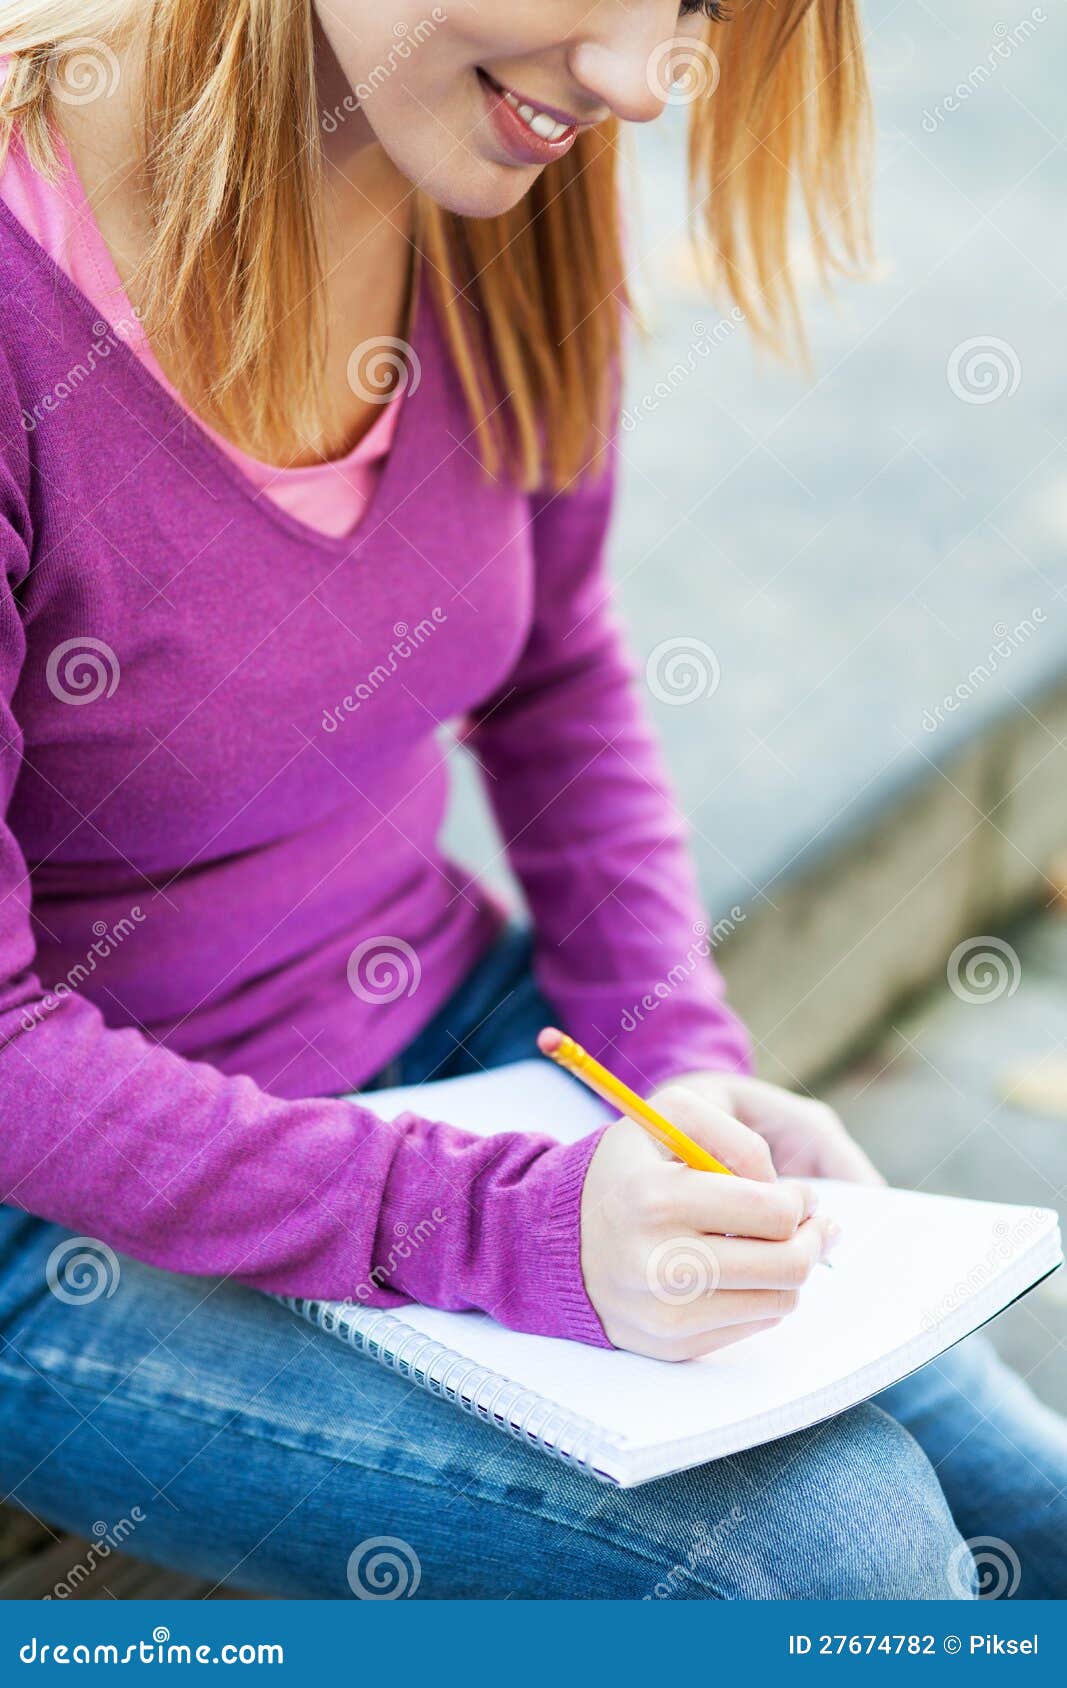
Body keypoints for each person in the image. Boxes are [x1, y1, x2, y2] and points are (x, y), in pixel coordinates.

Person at [0, 1, 1062, 1600]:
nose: (648, 80)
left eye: (695, 4)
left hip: (442, 1037)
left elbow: (553, 669)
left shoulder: (500, 165)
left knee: (1037, 1517)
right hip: (60, 1205)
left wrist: (674, 1060)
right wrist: (503, 1224)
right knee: (834, 1560)